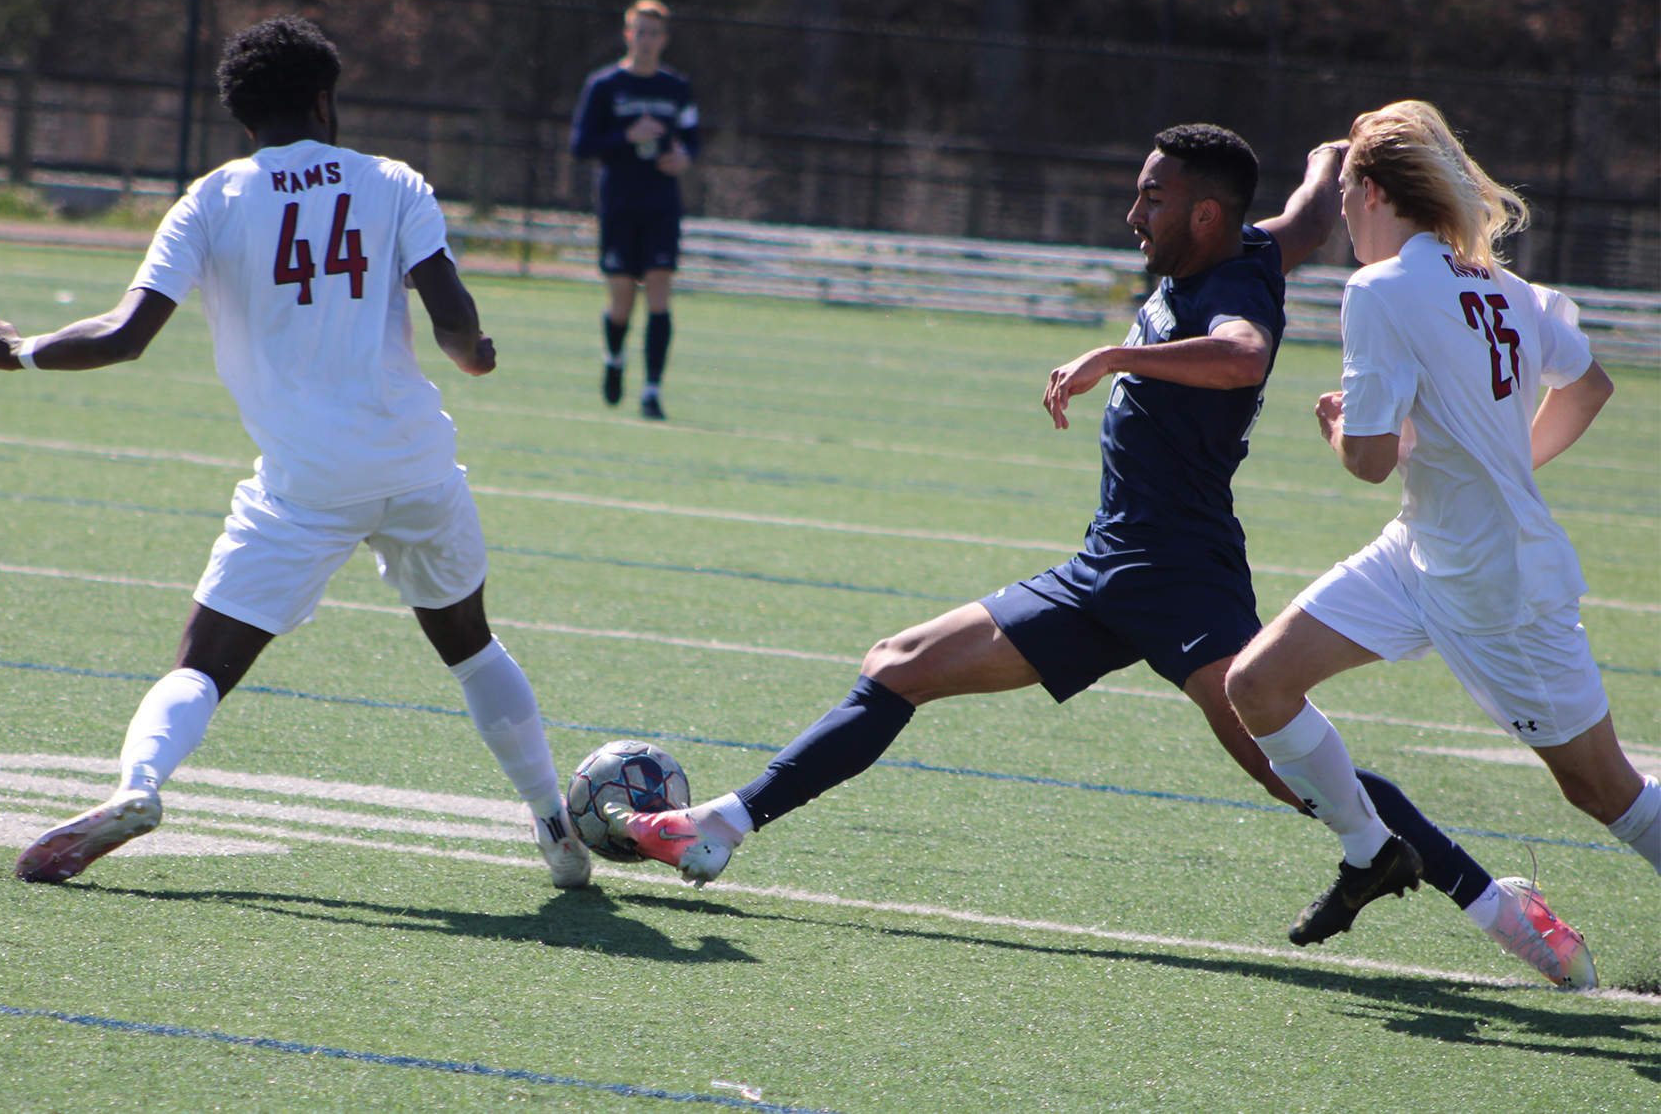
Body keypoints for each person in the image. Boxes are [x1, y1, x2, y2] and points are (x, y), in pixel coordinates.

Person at [605, 124, 1596, 987]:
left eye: (1152, 197)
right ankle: (719, 828)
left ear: (1205, 215)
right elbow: (1299, 218)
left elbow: (1245, 354)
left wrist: (1116, 356)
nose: (1133, 212)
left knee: (1299, 775)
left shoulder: (1234, 285)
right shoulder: (1251, 241)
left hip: (1181, 578)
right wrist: (1327, 164)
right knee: (898, 665)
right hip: (1104, 570)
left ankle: (1503, 911)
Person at [0, 15, 592, 890]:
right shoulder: (393, 181)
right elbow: (454, 324)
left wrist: (18, 351)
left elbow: (125, 333)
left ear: (242, 117)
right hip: (413, 464)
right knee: (472, 646)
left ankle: (136, 787)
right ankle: (556, 826)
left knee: (203, 666)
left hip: (306, 484)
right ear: (324, 100)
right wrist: (476, 353)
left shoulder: (212, 199)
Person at [1222, 100, 1657, 986]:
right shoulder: (1505, 286)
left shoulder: (1378, 291)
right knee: (1258, 683)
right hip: (1422, 551)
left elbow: (1372, 462)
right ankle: (1371, 851)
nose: (1342, 213)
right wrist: (1504, 463)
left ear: (1374, 191)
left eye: (1346, 193)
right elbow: (1590, 386)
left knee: (1603, 789)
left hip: (1500, 587)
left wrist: (1340, 430)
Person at [569, 0, 700, 421]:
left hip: (661, 204)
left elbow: (693, 136)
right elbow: (581, 145)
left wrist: (685, 157)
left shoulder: (677, 87)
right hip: (619, 205)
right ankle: (614, 358)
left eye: (653, 33)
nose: (645, 40)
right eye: (638, 31)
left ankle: (652, 390)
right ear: (627, 34)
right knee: (622, 300)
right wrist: (628, 135)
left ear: (665, 39)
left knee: (660, 293)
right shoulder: (604, 85)